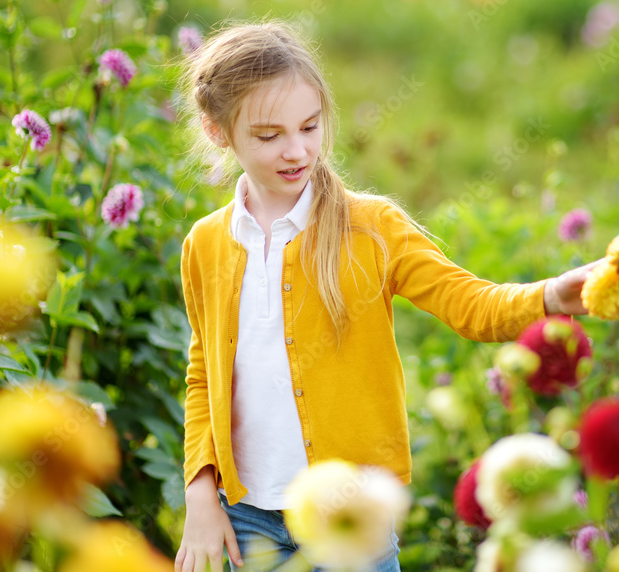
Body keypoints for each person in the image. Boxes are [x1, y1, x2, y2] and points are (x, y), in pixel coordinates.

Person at [174, 21, 597, 572]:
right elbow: (204, 372)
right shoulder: (205, 243)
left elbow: (470, 305)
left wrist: (549, 296)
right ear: (218, 132)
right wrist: (200, 493)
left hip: (355, 514)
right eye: (269, 135)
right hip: (247, 520)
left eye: (309, 126)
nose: (297, 150)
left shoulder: (373, 228)